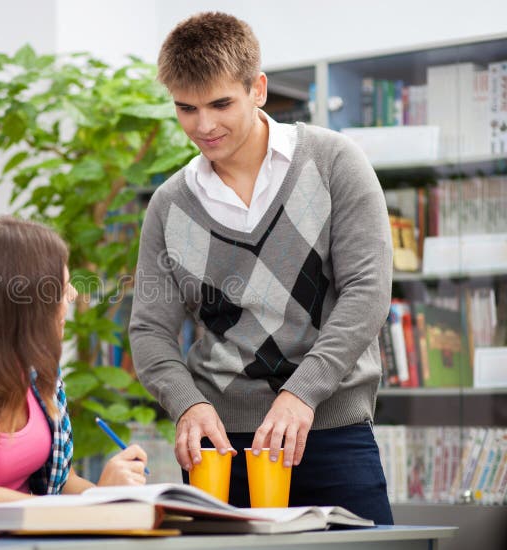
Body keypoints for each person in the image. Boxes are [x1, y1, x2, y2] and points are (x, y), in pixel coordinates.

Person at [128, 12, 394, 524]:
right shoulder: (169, 206)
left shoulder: (335, 162)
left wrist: (302, 393)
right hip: (221, 447)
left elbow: (367, 292)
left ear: (259, 89)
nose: (203, 126)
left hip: (331, 430)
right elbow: (150, 331)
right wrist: (188, 405)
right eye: (186, 109)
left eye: (221, 104)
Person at [0, 215, 147, 528]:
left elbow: (62, 483)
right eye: (62, 287)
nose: (74, 295)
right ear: (21, 305)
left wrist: (105, 497)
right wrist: (87, 510)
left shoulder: (40, 379)